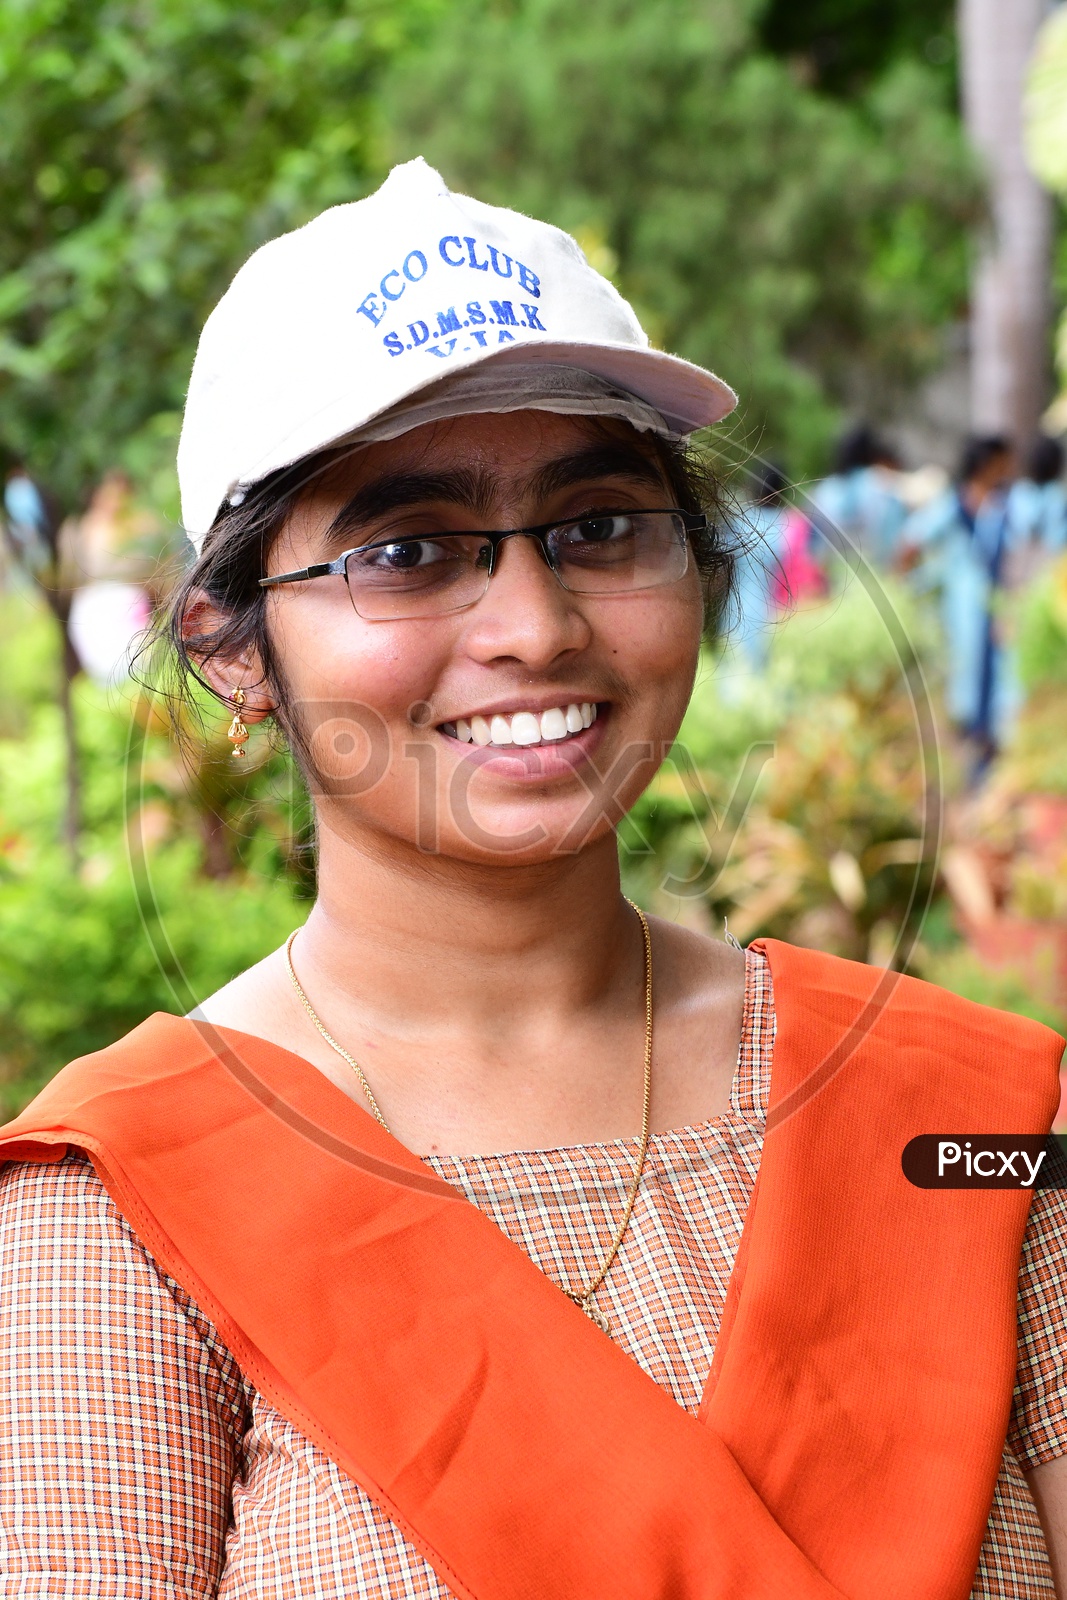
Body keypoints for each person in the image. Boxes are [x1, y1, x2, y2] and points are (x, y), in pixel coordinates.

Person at [0, 159, 1065, 1600]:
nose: (531, 624)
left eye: (597, 527)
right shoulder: (117, 1219)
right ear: (232, 649)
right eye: (410, 551)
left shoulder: (971, 1126)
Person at [900, 434, 1015, 768]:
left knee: (998, 679)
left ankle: (988, 749)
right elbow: (910, 544)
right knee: (963, 676)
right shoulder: (952, 506)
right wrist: (916, 588)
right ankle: (968, 752)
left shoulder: (1001, 505)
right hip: (961, 611)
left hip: (996, 607)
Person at [809, 422, 907, 568]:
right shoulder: (882, 485)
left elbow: (813, 544)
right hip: (872, 573)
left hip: (830, 576)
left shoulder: (824, 490)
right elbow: (894, 539)